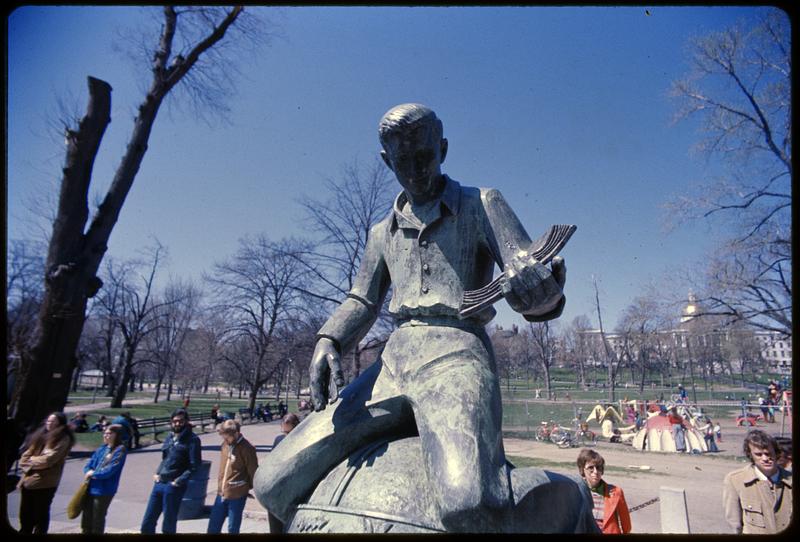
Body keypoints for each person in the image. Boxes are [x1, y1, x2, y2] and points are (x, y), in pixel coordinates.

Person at [255, 103, 568, 532]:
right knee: (273, 481)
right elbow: (362, 301)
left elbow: (530, 285)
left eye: (425, 157)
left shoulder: (482, 204)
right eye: (403, 162)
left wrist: (542, 292)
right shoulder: (380, 233)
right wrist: (329, 340)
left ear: (442, 148)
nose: (416, 170)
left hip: (456, 356)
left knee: (470, 503)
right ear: (387, 161)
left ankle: (564, 501)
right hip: (393, 361)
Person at [140, 408, 202, 534]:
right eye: (175, 421)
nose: (177, 424)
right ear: (171, 422)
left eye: (181, 421)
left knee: (169, 521)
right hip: (159, 483)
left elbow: (194, 466)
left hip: (173, 486)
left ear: (186, 422)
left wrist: (178, 481)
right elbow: (165, 458)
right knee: (148, 520)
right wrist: (157, 473)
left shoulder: (192, 440)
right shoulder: (169, 437)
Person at [722, 429, 792, 533]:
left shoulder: (790, 480)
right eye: (758, 454)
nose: (765, 458)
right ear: (750, 455)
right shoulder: (736, 481)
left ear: (776, 453)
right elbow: (735, 523)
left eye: (768, 453)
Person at [17, 412, 75, 534]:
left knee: (40, 515)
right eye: (48, 420)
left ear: (60, 423)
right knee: (25, 514)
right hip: (28, 481)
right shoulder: (41, 436)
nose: (49, 423)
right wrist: (31, 461)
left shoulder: (63, 438)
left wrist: (31, 460)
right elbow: (24, 457)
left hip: (45, 483)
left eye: (53, 421)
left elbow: (48, 460)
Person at [207, 420, 259, 534]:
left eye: (227, 437)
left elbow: (253, 471)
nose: (225, 440)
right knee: (213, 526)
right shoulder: (225, 445)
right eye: (223, 437)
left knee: (232, 528)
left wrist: (247, 487)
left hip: (237, 494)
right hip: (221, 493)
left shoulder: (247, 448)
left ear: (236, 434)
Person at [81, 424, 127, 533]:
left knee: (97, 519)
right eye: (105, 433)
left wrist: (93, 474)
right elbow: (90, 463)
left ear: (117, 435)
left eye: (109, 433)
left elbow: (110, 470)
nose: (106, 435)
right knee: (86, 518)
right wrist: (88, 471)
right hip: (90, 487)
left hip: (104, 490)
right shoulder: (102, 448)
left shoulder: (120, 450)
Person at [576, 448, 632, 534]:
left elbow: (626, 526)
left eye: (599, 468)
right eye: (591, 468)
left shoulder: (616, 492)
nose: (595, 472)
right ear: (583, 469)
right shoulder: (576, 491)